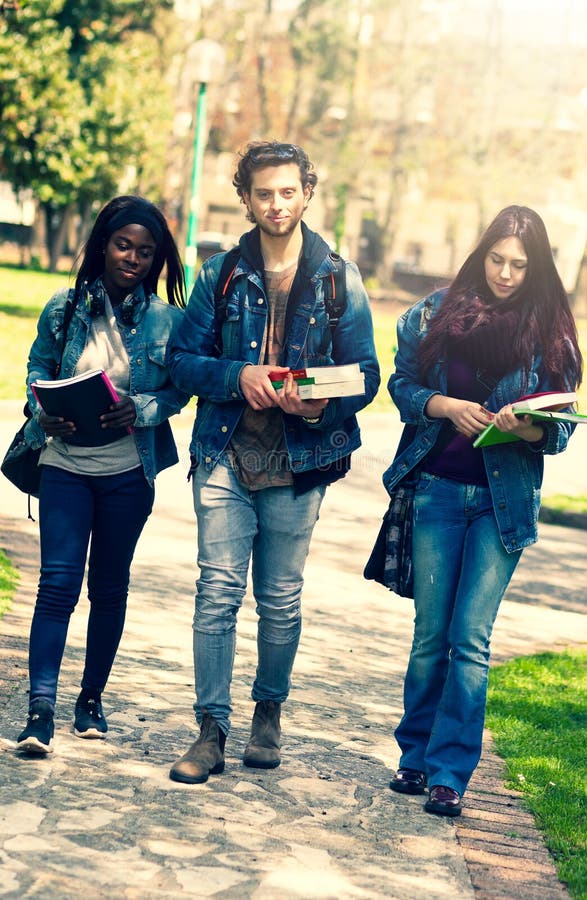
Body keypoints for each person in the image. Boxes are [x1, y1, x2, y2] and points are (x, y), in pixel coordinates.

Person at [167, 140, 380, 784]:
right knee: (216, 594)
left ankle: (268, 713)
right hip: (226, 453)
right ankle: (210, 730)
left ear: (306, 193)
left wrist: (317, 405)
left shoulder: (339, 277)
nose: (276, 204)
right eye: (264, 193)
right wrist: (239, 374)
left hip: (300, 459)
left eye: (288, 191)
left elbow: (365, 375)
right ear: (246, 198)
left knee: (281, 599)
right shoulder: (220, 273)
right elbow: (181, 360)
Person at [384, 205, 582, 816]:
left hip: (503, 504)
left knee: (470, 639)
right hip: (438, 490)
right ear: (482, 252)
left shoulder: (552, 332)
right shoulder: (435, 312)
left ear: (537, 267)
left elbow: (563, 427)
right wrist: (444, 405)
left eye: (519, 264)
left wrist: (527, 430)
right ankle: (413, 758)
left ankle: (450, 774)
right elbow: (402, 386)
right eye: (496, 258)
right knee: (430, 637)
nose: (504, 272)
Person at [15, 195, 190, 755]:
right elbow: (37, 365)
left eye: (145, 251)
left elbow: (179, 387)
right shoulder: (63, 306)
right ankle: (40, 708)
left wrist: (140, 408)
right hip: (64, 462)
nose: (133, 258)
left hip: (127, 470)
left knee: (109, 586)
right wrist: (39, 405)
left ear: (156, 259)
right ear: (102, 246)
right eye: (122, 245)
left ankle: (90, 701)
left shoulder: (169, 321)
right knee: (57, 585)